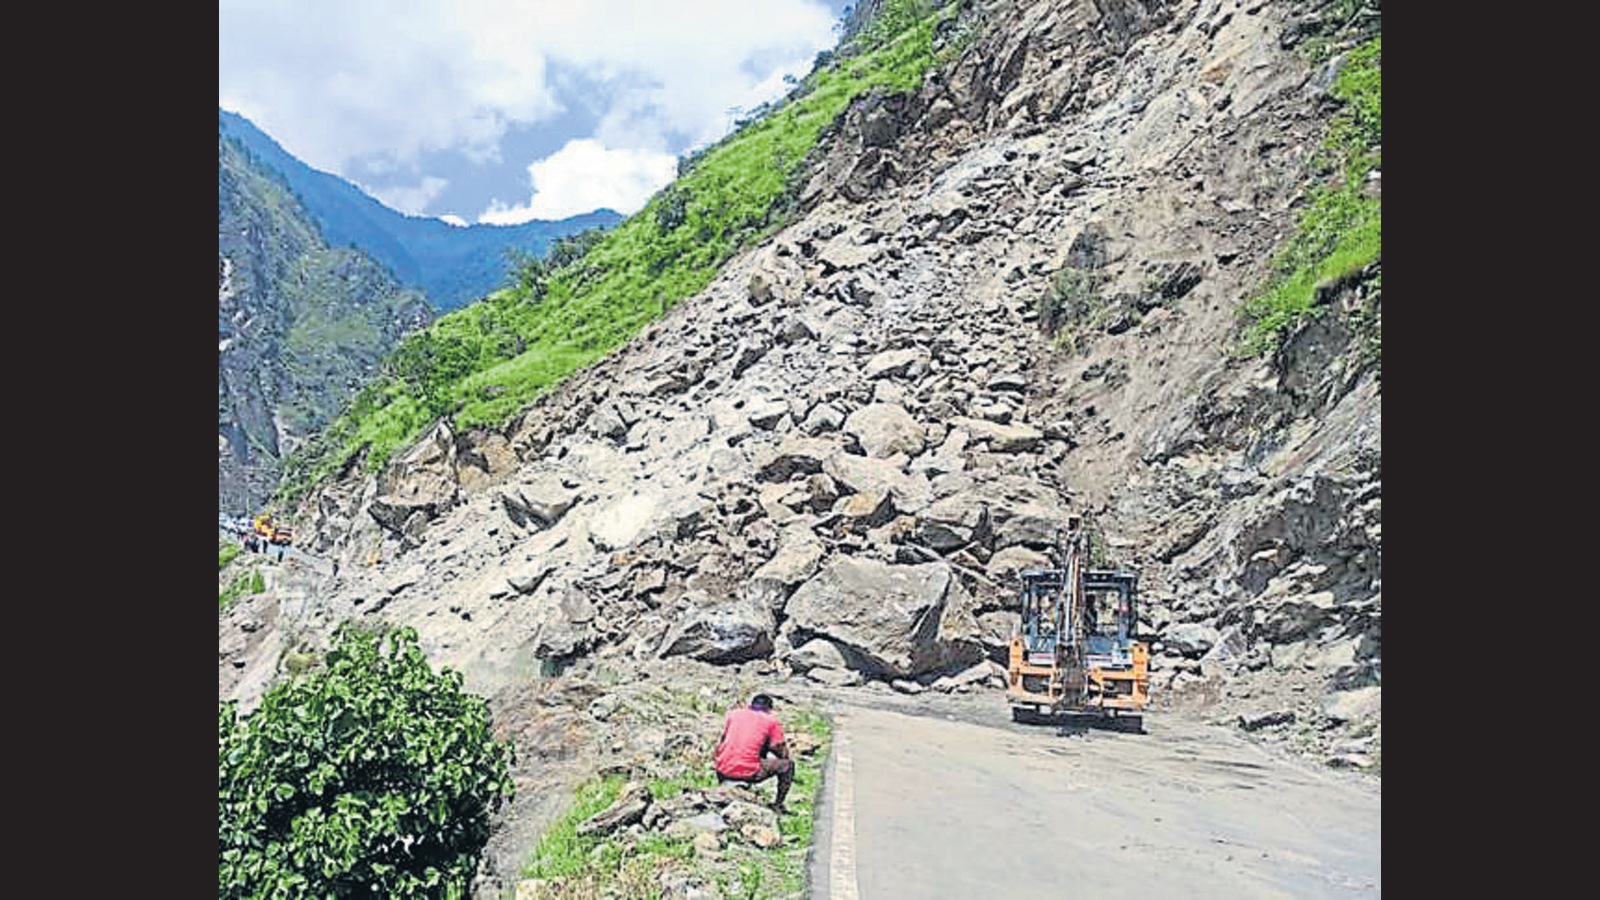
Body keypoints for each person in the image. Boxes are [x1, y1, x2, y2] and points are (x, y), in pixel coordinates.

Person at [714, 693, 793, 814]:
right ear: (769, 708)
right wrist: (784, 757)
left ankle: (725, 785)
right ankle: (778, 805)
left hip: (722, 768)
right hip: (748, 771)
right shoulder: (771, 720)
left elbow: (723, 739)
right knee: (787, 766)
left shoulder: (734, 714)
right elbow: (777, 746)